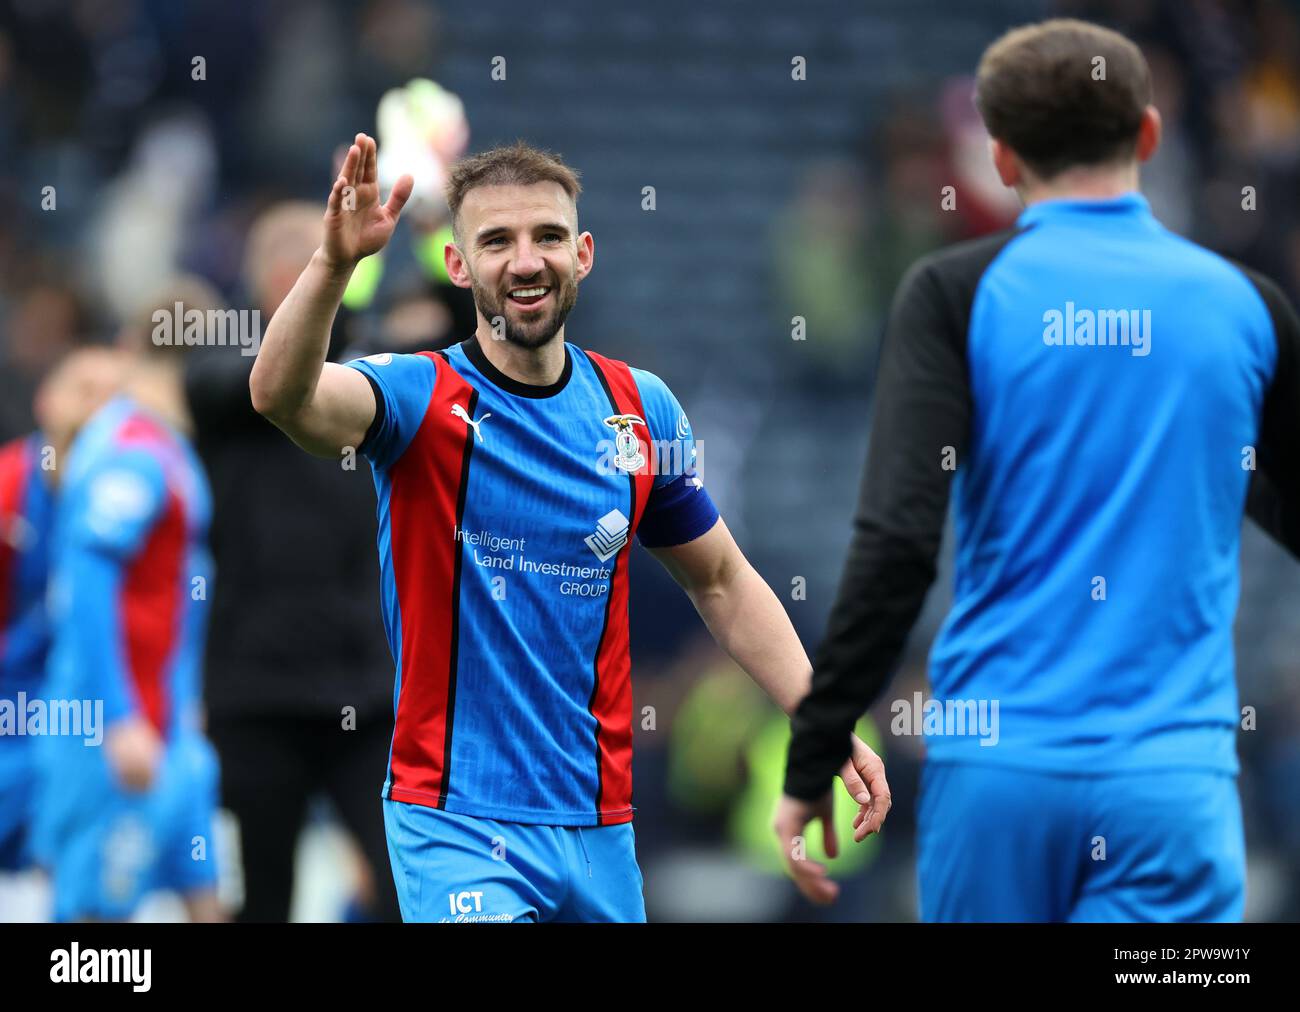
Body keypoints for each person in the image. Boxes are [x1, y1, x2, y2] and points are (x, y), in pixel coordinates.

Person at [249, 135, 892, 921]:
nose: (526, 261)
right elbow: (283, 397)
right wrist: (333, 264)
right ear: (458, 265)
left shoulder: (639, 406)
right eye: (497, 241)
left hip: (599, 827)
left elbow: (721, 580)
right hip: (456, 819)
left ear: (582, 253)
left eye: (547, 236)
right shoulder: (416, 398)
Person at [778, 18, 1300, 921]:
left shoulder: (955, 293)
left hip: (997, 774)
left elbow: (898, 541)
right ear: (1148, 134)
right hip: (1171, 782)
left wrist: (820, 746)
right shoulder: (1247, 306)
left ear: (1003, 156)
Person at [186, 202, 400, 923]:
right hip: (257, 699)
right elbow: (259, 388)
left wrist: (435, 232)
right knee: (263, 903)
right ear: (288, 276)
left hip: (365, 697)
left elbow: (459, 341)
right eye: (335, 267)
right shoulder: (222, 375)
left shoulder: (370, 377)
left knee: (408, 891)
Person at [33, 285, 224, 921]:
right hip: (119, 732)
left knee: (202, 899)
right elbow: (87, 580)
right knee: (93, 930)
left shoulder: (150, 444)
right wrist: (119, 716)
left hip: (162, 724)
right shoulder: (138, 454)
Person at [0, 349, 124, 880]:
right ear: (44, 401)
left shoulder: (136, 489)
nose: (98, 404)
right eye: (83, 387)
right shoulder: (9, 485)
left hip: (102, 714)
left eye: (113, 392)